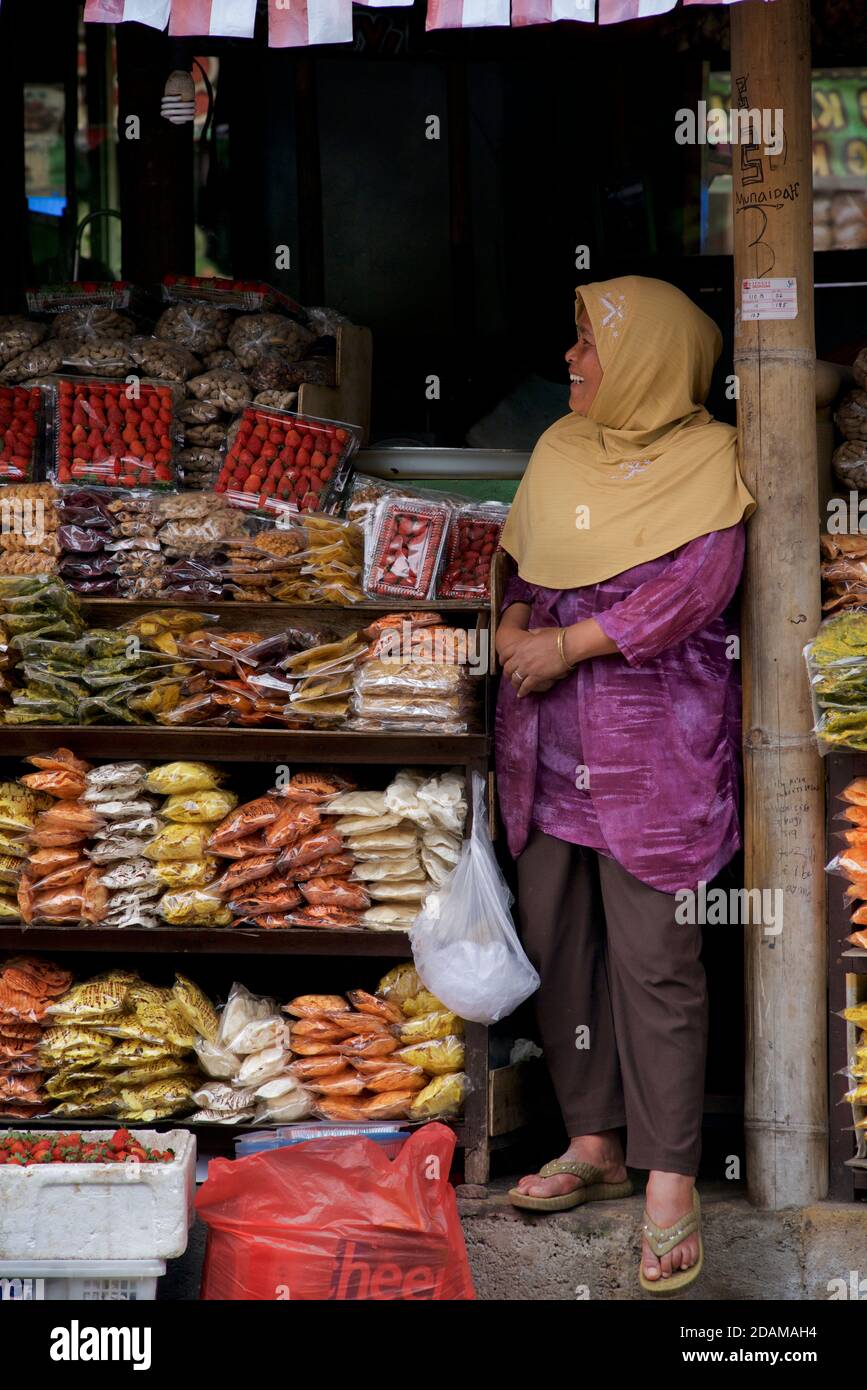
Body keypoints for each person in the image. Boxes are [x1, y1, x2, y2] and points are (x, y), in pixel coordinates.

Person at [495, 275, 754, 1295]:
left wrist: (567, 646)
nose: (571, 362)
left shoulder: (710, 460)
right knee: (560, 945)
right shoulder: (561, 452)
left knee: (656, 963)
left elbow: (697, 590)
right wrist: (519, 634)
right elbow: (523, 567)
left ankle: (671, 1177)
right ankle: (594, 1141)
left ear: (645, 359)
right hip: (548, 749)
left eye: (587, 346)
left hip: (656, 763)